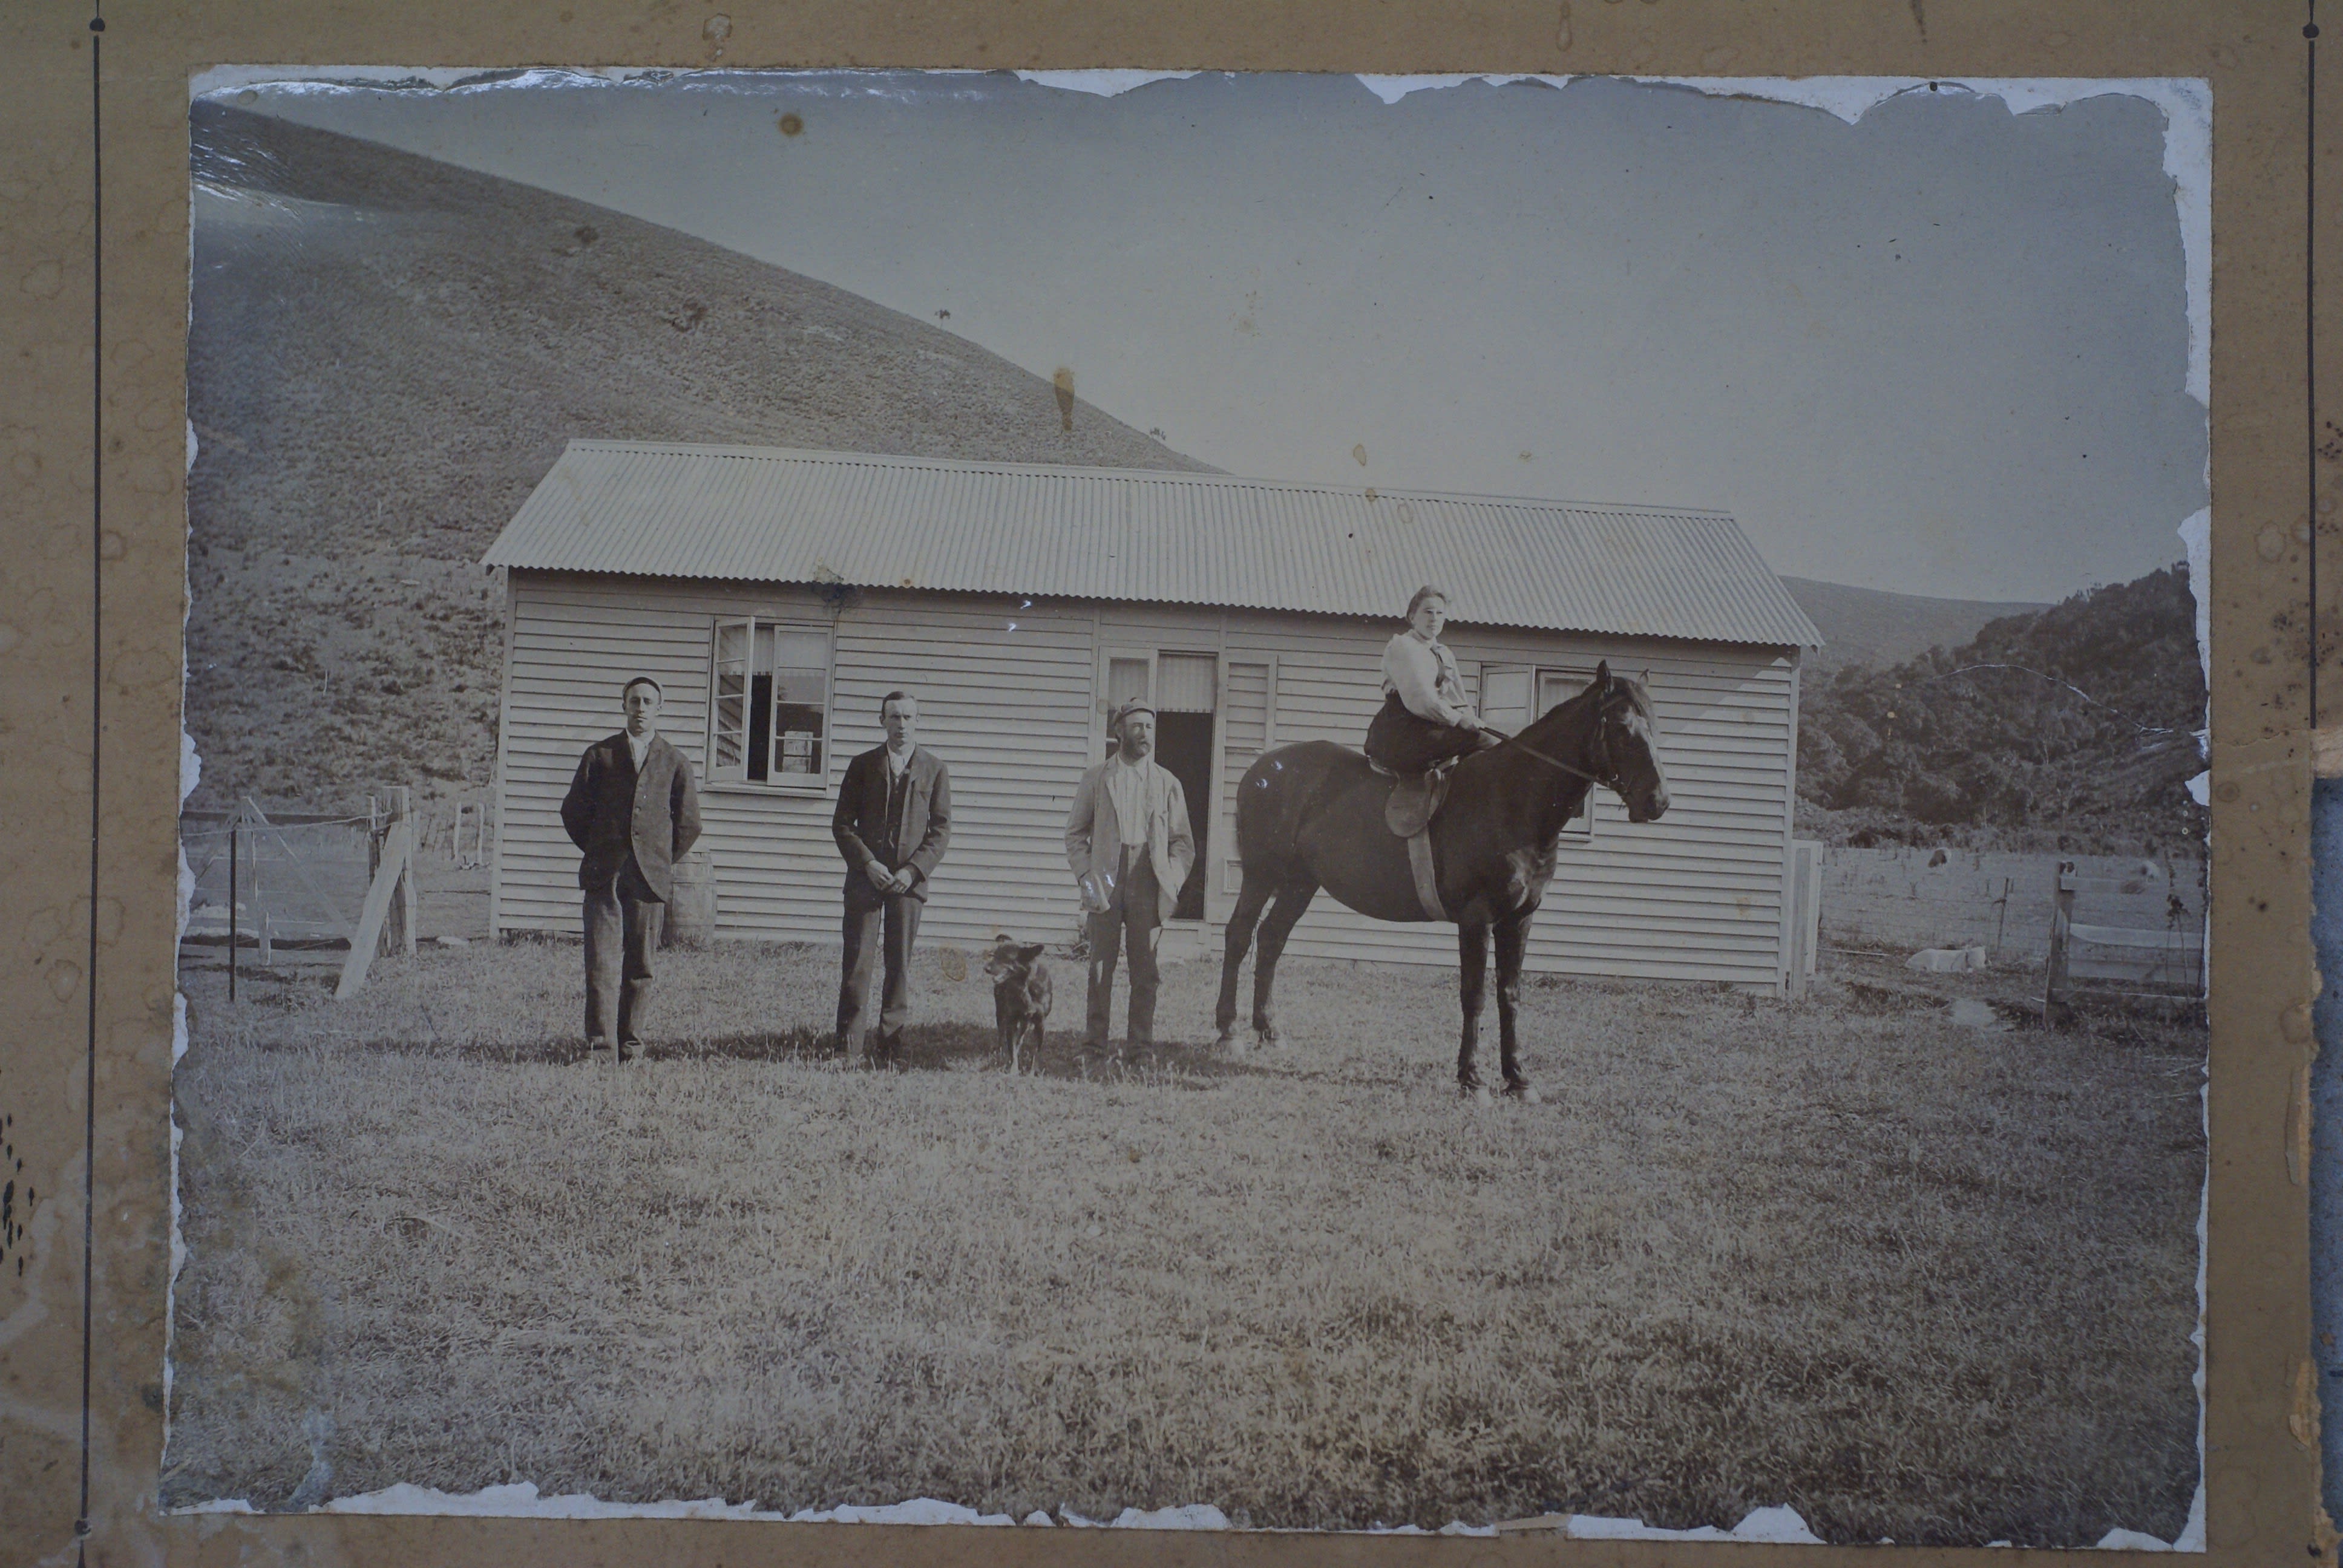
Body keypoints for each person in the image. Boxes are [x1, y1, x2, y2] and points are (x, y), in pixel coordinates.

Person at [559, 676, 701, 1062]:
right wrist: (599, 849)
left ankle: (632, 1045)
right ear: (624, 706)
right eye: (634, 701)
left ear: (659, 709)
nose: (640, 709)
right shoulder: (600, 755)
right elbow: (573, 812)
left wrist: (656, 857)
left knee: (641, 965)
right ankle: (600, 1047)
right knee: (601, 963)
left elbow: (689, 824)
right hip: (604, 876)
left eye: (648, 702)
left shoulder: (675, 762)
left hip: (648, 880)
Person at [1064, 699, 1196, 1048]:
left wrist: (1171, 880)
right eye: (1137, 727)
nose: (1144, 734)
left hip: (1147, 881)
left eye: (1150, 728)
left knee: (1146, 972)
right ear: (1118, 731)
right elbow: (1075, 834)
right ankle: (1094, 1049)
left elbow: (1183, 843)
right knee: (1099, 970)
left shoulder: (1167, 782)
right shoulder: (1096, 778)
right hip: (1104, 880)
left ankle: (1140, 1050)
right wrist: (1085, 878)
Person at [831, 690, 952, 1060]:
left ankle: (891, 1048)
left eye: (908, 718)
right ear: (881, 720)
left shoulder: (934, 768)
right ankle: (848, 1049)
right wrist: (868, 863)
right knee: (858, 962)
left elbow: (941, 830)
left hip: (907, 885)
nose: (901, 725)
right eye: (894, 717)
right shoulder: (862, 766)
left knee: (898, 963)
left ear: (918, 721)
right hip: (865, 880)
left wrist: (913, 871)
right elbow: (842, 824)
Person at [1365, 586, 1502, 809]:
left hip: (1429, 728)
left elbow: (1458, 698)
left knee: (1490, 740)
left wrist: (1472, 720)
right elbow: (1422, 699)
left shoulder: (1443, 653)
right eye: (1428, 612)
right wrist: (1459, 721)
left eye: (1440, 614)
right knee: (1484, 742)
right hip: (1401, 730)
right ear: (1412, 617)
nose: (1434, 619)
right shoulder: (1404, 647)